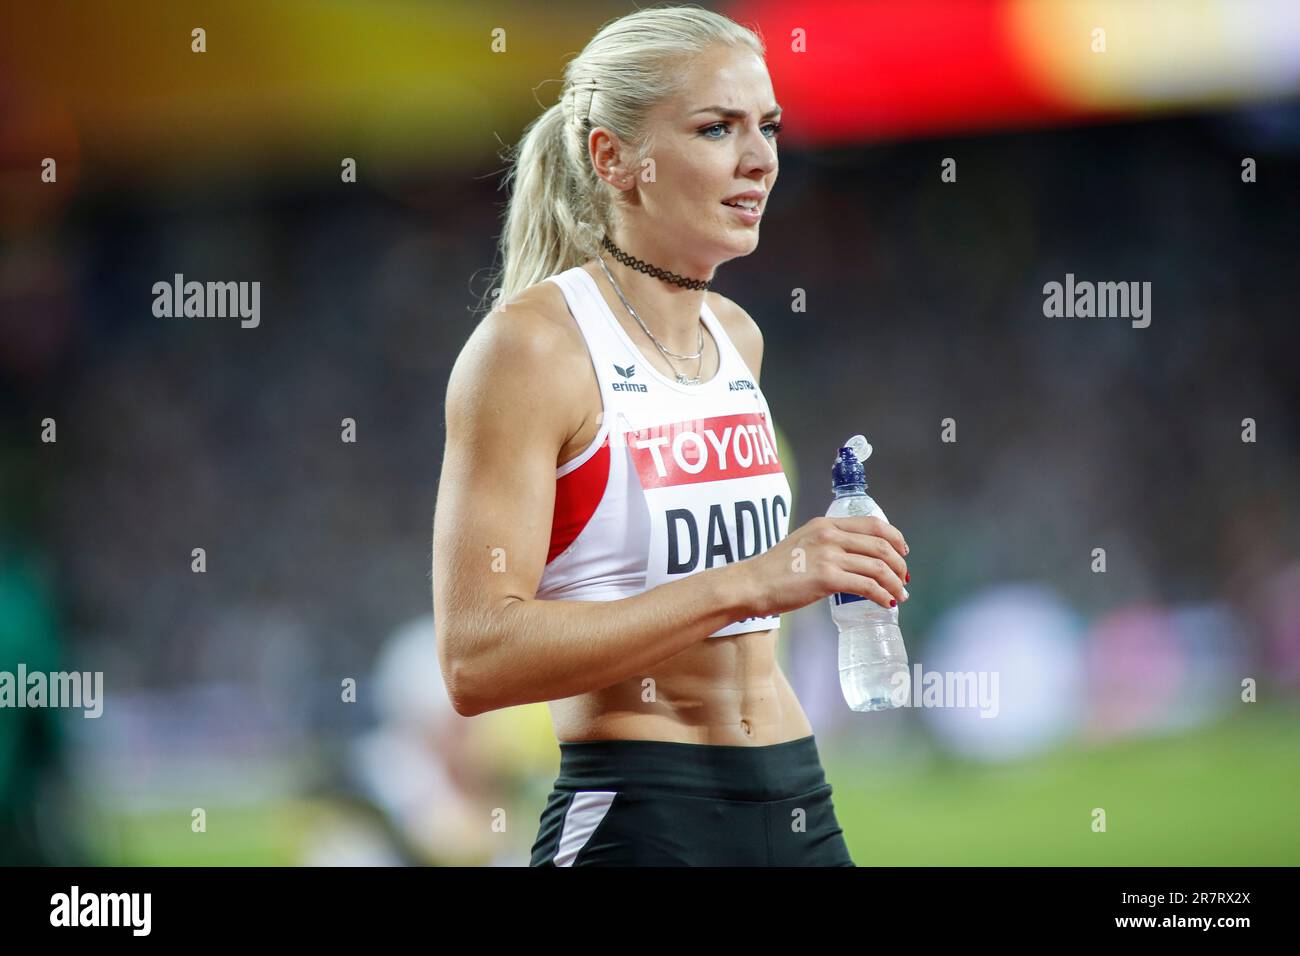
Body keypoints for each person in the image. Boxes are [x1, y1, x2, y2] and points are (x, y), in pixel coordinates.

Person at [432, 4, 910, 866]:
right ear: (613, 158)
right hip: (642, 819)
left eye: (767, 126)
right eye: (716, 128)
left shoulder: (737, 335)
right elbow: (476, 658)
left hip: (798, 801)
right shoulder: (530, 348)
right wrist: (756, 581)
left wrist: (834, 562)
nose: (760, 159)